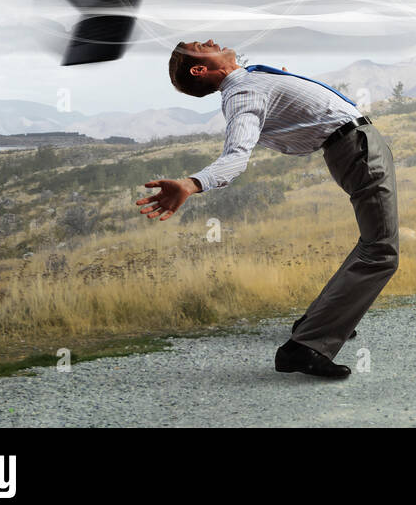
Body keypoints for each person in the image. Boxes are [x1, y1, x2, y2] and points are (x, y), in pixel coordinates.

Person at [137, 38, 399, 380]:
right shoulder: (243, 95)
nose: (212, 40)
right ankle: (305, 347)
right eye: (201, 45)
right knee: (381, 250)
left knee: (372, 243)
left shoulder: (251, 79)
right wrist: (191, 183)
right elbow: (235, 156)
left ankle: (317, 322)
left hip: (357, 144)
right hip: (356, 148)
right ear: (201, 68)